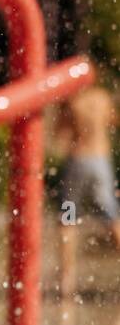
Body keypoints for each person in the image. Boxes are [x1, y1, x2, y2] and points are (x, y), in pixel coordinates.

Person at [52, 83, 120, 301]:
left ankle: (66, 281)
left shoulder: (72, 101)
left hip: (78, 162)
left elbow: (59, 135)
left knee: (68, 219)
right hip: (101, 162)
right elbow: (113, 121)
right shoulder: (103, 98)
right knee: (111, 216)